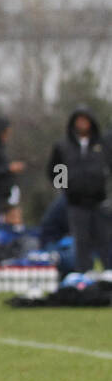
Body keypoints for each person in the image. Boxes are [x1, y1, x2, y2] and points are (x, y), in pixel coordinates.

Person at [47, 106, 111, 272]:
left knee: (105, 239)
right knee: (81, 241)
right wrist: (65, 191)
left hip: (99, 201)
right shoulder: (63, 146)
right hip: (76, 203)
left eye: (86, 120)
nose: (82, 124)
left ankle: (108, 275)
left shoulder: (103, 144)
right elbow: (56, 169)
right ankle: (84, 275)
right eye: (79, 120)